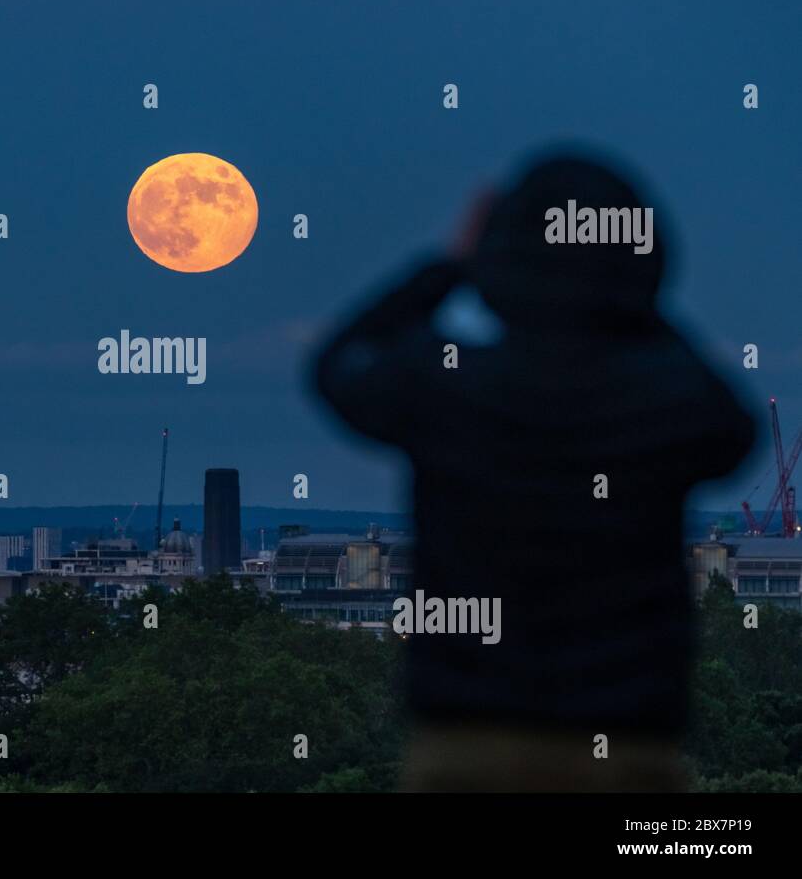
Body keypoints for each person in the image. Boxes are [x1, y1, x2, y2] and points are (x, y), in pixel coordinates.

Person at [311, 151, 756, 791]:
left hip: (466, 751)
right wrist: (630, 296)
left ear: (501, 257)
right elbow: (730, 424)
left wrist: (451, 267)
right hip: (628, 756)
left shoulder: (446, 384)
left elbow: (338, 363)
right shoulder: (666, 406)